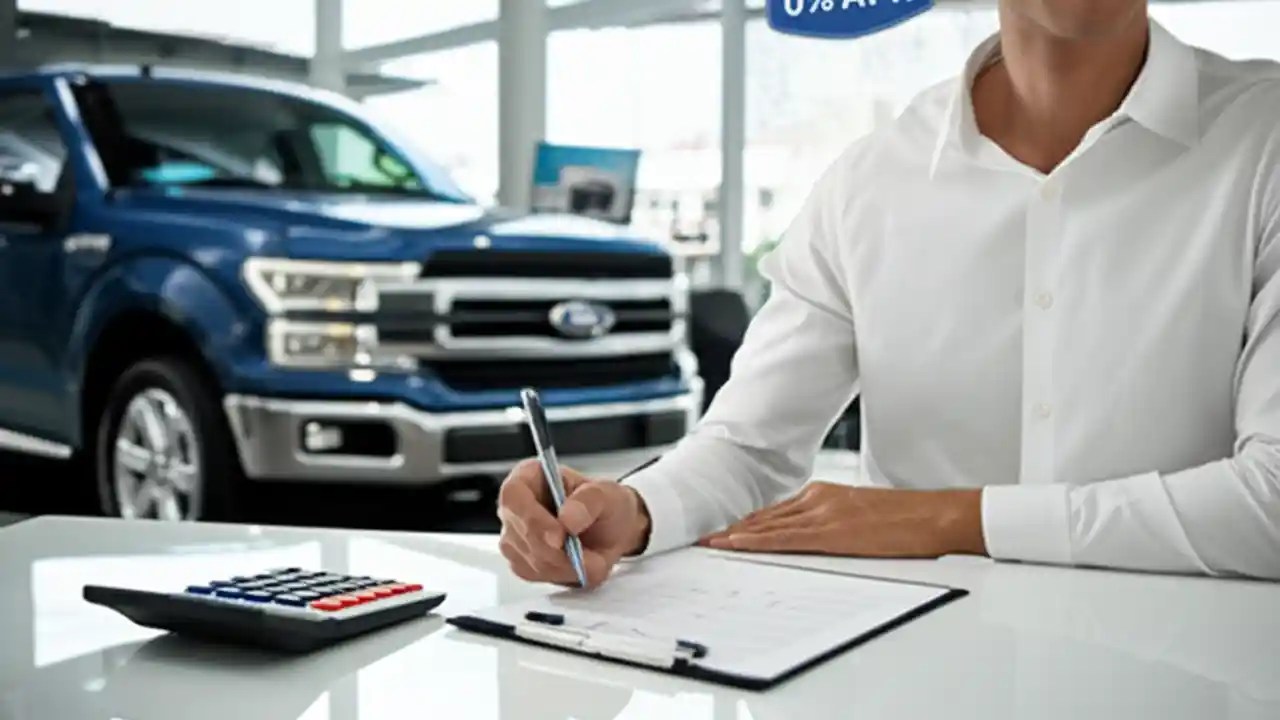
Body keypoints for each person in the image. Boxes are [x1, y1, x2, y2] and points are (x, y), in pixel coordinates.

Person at [497, 0, 1280, 584]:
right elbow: (748, 449)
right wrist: (630, 513)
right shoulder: (869, 183)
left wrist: (945, 517)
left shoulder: (1263, 141)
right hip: (915, 676)